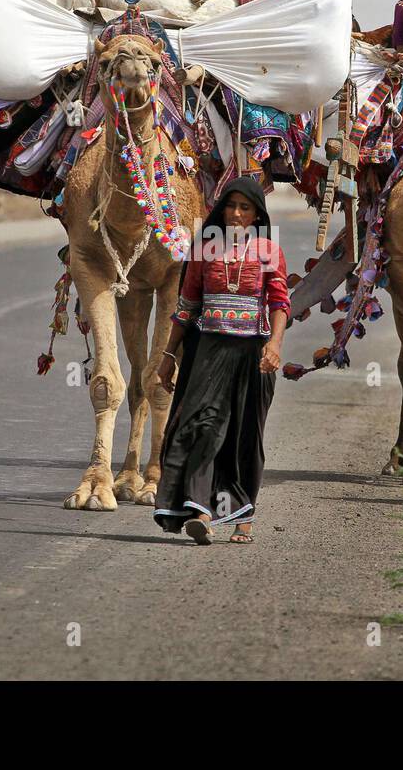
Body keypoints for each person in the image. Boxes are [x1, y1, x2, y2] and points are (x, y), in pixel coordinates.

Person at [153, 177, 290, 545]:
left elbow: (279, 303)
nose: (236, 214)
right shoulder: (203, 249)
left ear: (256, 214)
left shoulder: (268, 250)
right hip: (210, 351)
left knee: (246, 434)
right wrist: (168, 356)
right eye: (231, 206)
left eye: (246, 208)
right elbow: (186, 308)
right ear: (222, 209)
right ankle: (199, 509)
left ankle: (242, 516)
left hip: (254, 354)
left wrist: (274, 345)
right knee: (203, 425)